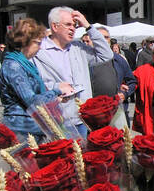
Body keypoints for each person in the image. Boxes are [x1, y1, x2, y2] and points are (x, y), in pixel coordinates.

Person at [34, 7, 113, 135]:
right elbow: (34, 84)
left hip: (81, 119)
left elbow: (106, 55)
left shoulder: (78, 48)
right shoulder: (39, 51)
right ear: (54, 26)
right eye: (68, 25)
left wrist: (88, 26)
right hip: (56, 120)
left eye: (75, 25)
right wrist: (56, 88)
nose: (73, 29)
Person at [0, 18, 74, 143]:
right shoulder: (14, 66)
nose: (40, 48)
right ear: (25, 42)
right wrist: (56, 91)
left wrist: (57, 96)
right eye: (38, 43)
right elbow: (31, 100)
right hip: (23, 131)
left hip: (33, 128)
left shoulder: (23, 63)